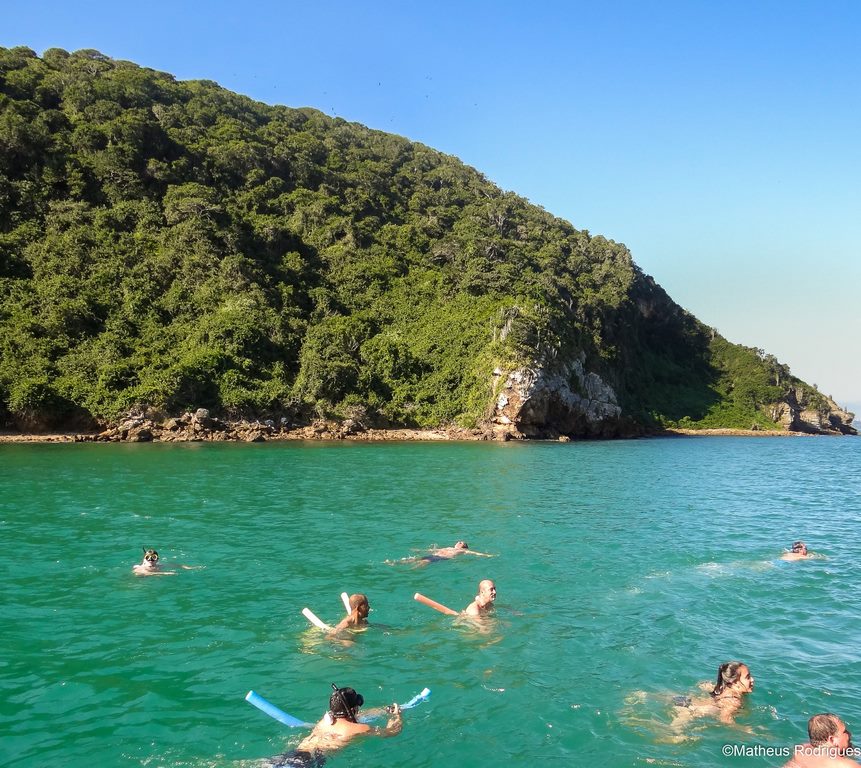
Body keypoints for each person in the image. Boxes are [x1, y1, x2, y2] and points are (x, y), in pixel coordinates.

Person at [267, 685, 402, 767]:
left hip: (291, 754)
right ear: (353, 709)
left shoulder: (326, 720)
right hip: (308, 763)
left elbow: (356, 715)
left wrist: (384, 709)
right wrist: (397, 716)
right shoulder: (360, 729)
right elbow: (391, 732)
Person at [670, 661, 754, 727]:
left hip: (684, 700)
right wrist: (745, 730)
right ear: (734, 683)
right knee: (675, 735)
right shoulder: (734, 701)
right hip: (690, 711)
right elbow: (724, 720)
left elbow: (704, 685)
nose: (752, 679)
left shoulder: (722, 688)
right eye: (747, 677)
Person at [782, 713, 861, 767]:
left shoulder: (800, 752)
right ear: (832, 740)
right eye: (845, 732)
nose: (849, 734)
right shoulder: (847, 765)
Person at [389, 540, 494, 567]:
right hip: (435, 555)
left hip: (441, 558)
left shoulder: (462, 550)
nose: (459, 542)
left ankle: (410, 571)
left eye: (461, 542)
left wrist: (486, 555)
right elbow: (432, 550)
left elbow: (474, 553)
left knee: (424, 562)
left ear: (463, 547)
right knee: (416, 558)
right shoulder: (449, 547)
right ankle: (396, 562)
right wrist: (419, 550)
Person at [132, 547, 202, 576]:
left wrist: (189, 568)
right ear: (144, 559)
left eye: (154, 557)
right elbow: (147, 573)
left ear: (157, 559)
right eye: (148, 558)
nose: (150, 560)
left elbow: (177, 565)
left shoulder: (160, 565)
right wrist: (166, 573)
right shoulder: (140, 568)